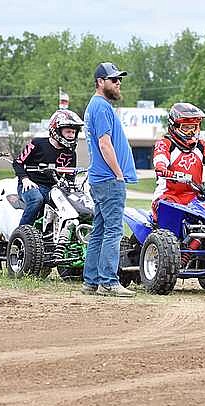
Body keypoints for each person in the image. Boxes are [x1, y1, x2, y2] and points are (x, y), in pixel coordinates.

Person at [82, 62, 138, 297]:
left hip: (100, 179)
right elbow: (105, 144)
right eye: (114, 79)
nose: (118, 83)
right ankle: (108, 282)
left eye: (119, 80)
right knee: (113, 231)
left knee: (99, 230)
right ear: (100, 82)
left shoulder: (96, 106)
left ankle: (91, 281)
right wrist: (118, 174)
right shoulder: (101, 107)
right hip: (108, 179)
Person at [12, 109, 83, 226]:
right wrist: (24, 179)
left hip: (53, 189)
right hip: (31, 185)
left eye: (73, 132)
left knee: (73, 203)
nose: (71, 135)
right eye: (68, 131)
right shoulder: (37, 144)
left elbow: (70, 176)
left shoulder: (71, 153)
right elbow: (18, 162)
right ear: (56, 130)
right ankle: (22, 232)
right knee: (37, 199)